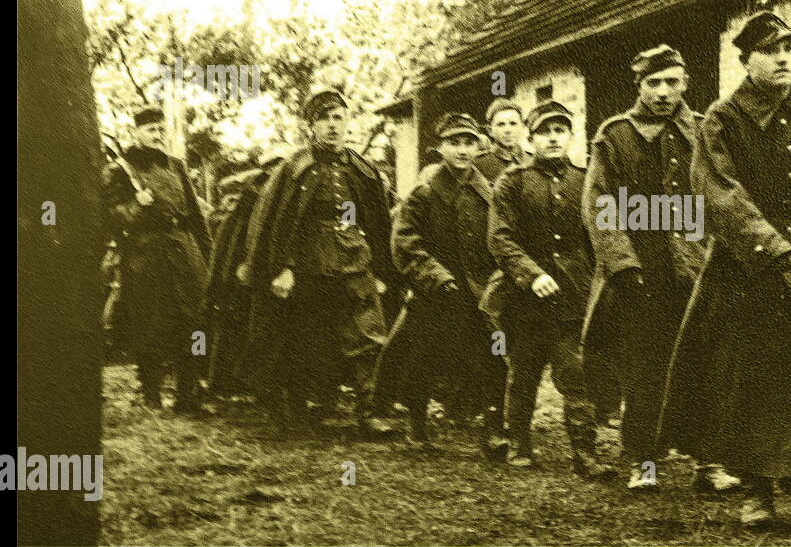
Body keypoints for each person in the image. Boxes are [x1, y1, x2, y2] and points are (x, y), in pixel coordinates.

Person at [663, 11, 791, 527]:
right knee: (754, 377)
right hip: (748, 269)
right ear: (746, 59)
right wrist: (769, 245)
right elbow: (718, 192)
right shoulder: (722, 117)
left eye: (790, 48)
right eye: (770, 50)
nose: (783, 58)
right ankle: (757, 487)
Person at [582, 44, 742, 494]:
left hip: (699, 268)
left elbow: (725, 192)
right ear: (639, 85)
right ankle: (643, 461)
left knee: (706, 363)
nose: (663, 92)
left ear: (686, 83)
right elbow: (600, 205)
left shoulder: (706, 130)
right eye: (653, 82)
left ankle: (709, 464)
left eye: (672, 81)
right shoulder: (615, 136)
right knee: (646, 368)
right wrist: (622, 264)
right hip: (643, 272)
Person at [241, 90, 397, 438]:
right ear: (311, 126)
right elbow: (276, 223)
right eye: (324, 119)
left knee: (367, 336)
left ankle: (368, 412)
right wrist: (282, 267)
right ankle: (308, 408)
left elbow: (378, 223)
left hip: (355, 263)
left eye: (339, 118)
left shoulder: (363, 170)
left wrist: (383, 272)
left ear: (348, 123)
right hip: (308, 267)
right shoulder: (293, 169)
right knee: (306, 337)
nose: (332, 126)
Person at [487, 100, 615, 479]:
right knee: (523, 374)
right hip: (524, 301)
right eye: (545, 131)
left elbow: (602, 236)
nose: (553, 138)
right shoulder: (511, 181)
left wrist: (600, 283)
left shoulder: (586, 180)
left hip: (573, 299)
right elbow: (500, 239)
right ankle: (519, 445)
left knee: (576, 373)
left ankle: (585, 454)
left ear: (571, 136)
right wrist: (531, 274)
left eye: (561, 130)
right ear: (531, 138)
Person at [385, 113, 509, 456]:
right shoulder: (424, 193)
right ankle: (418, 426)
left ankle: (494, 430)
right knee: (422, 357)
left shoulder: (487, 191)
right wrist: (435, 275)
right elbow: (405, 241)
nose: (462, 150)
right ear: (440, 148)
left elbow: (500, 237)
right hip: (434, 293)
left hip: (477, 292)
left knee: (492, 358)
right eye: (454, 143)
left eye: (469, 142)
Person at [102, 107, 211, 413]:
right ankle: (151, 396)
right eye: (151, 129)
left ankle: (188, 396)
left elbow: (195, 213)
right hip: (147, 256)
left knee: (193, 321)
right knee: (152, 324)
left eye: (161, 129)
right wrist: (136, 205)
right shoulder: (120, 170)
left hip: (184, 249)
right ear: (136, 132)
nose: (157, 134)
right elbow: (109, 217)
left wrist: (206, 255)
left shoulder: (176, 166)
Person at [205, 147, 287, 401]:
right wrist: (243, 264)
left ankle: (257, 382)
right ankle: (225, 381)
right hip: (240, 267)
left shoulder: (280, 190)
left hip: (262, 267)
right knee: (233, 320)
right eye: (276, 166)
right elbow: (242, 235)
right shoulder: (255, 192)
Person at [475, 98, 532, 182]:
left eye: (513, 123)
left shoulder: (531, 160)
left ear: (522, 127)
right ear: (490, 131)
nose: (507, 130)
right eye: (501, 124)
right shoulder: (478, 164)